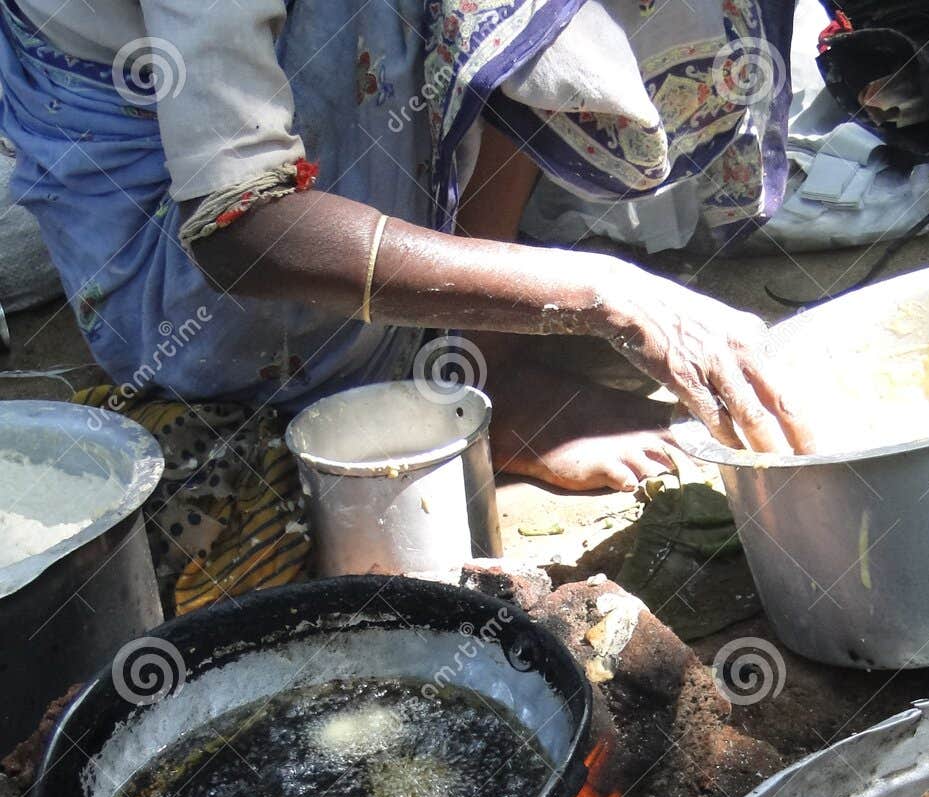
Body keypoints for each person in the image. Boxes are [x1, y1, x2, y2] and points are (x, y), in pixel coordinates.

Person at [0, 0, 811, 493]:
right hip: (182, 247)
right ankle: (428, 380)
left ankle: (479, 361)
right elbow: (240, 226)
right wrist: (606, 293)